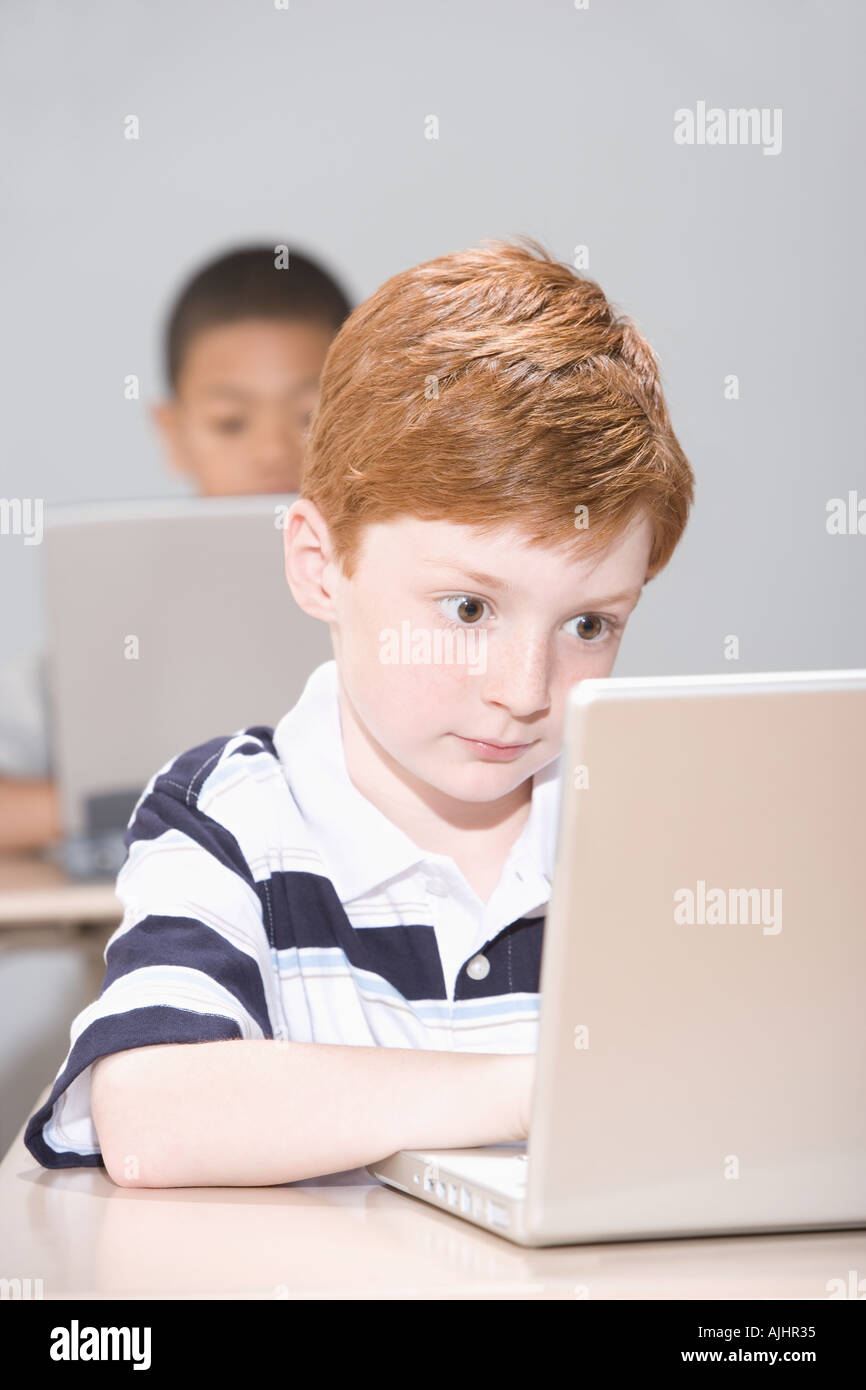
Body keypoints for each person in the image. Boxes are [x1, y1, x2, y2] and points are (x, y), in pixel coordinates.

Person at [24, 237, 695, 1186]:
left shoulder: (655, 824)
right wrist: (543, 1090)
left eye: (589, 624)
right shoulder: (229, 823)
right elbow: (150, 1113)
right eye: (468, 608)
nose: (526, 689)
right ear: (319, 565)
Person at [0, 245, 352, 852]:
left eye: (308, 416)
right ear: (173, 434)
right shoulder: (108, 627)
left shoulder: (401, 603)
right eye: (230, 421)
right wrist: (158, 798)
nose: (272, 450)